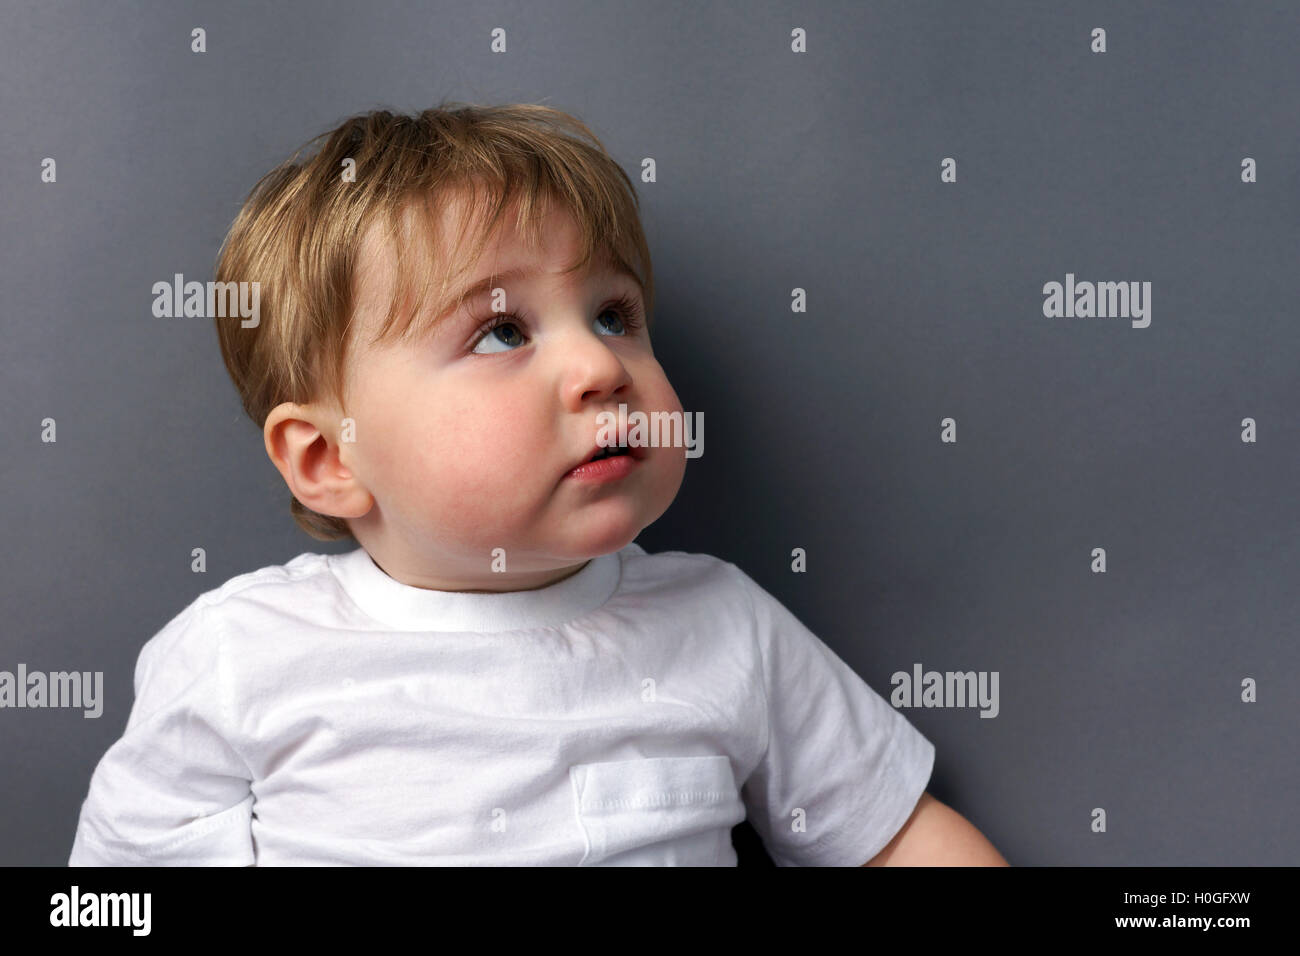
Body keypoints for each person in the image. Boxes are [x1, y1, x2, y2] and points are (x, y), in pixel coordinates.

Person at [68, 103, 1007, 866]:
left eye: (613, 314)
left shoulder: (725, 626)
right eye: (501, 332)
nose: (599, 367)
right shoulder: (240, 658)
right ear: (331, 459)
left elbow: (896, 841)